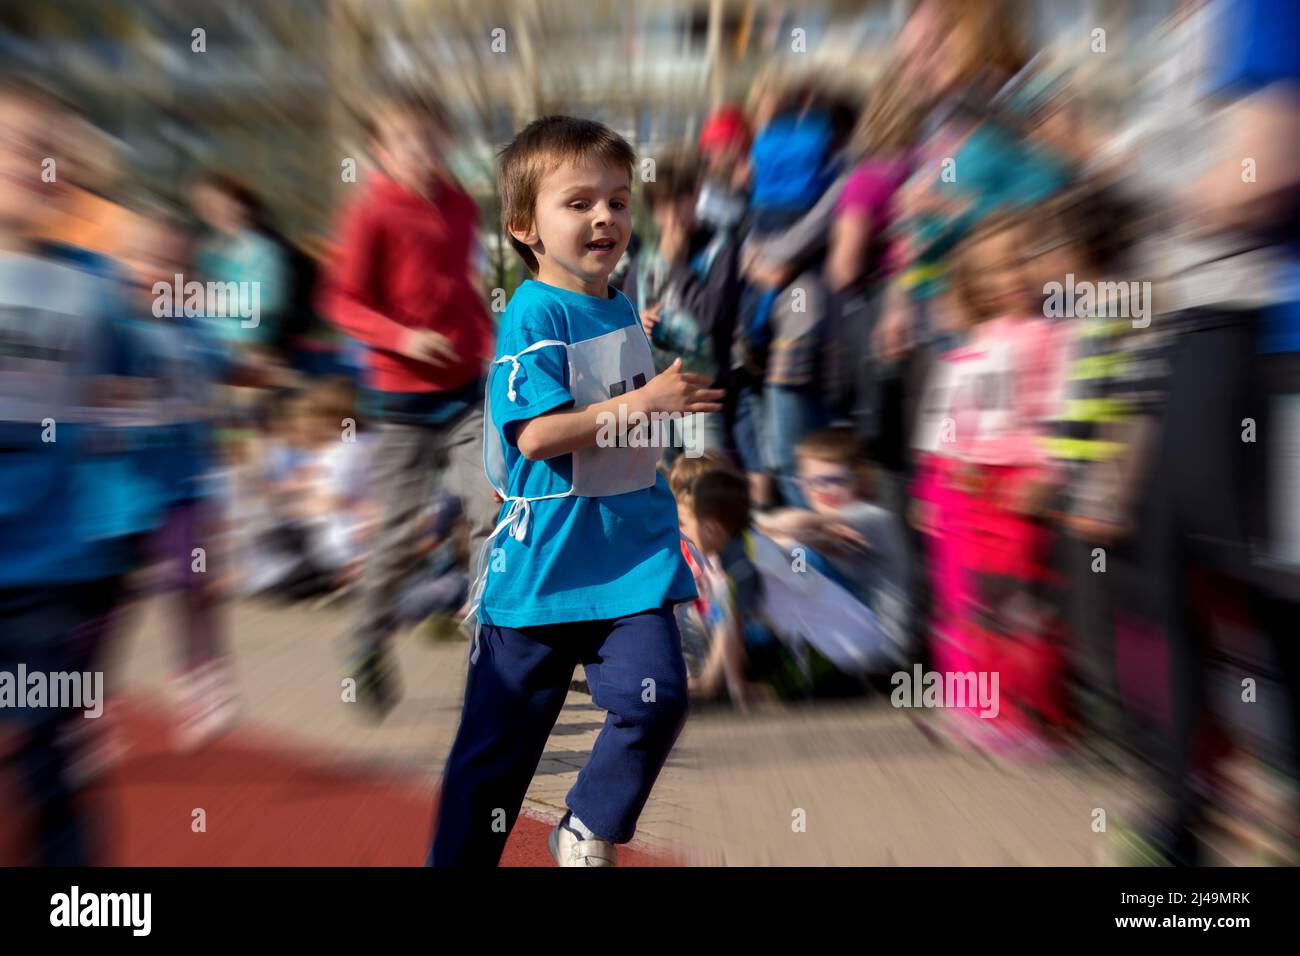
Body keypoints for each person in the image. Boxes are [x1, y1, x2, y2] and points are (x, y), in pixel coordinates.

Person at [428, 115, 723, 867]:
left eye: (619, 201)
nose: (605, 218)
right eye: (580, 202)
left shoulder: (620, 302)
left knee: (657, 695)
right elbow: (536, 436)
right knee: (492, 767)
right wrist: (647, 403)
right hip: (543, 571)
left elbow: (622, 417)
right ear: (525, 225)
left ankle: (586, 822)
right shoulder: (534, 312)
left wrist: (660, 396)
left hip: (630, 557)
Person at [319, 87, 498, 717]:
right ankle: (366, 639)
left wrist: (490, 342)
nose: (420, 151)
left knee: (492, 508)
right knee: (399, 536)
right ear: (379, 149)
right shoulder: (370, 211)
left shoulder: (460, 205)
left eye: (429, 138)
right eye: (404, 141)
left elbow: (464, 288)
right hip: (400, 404)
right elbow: (340, 302)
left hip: (464, 394)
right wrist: (401, 338)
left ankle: (489, 653)